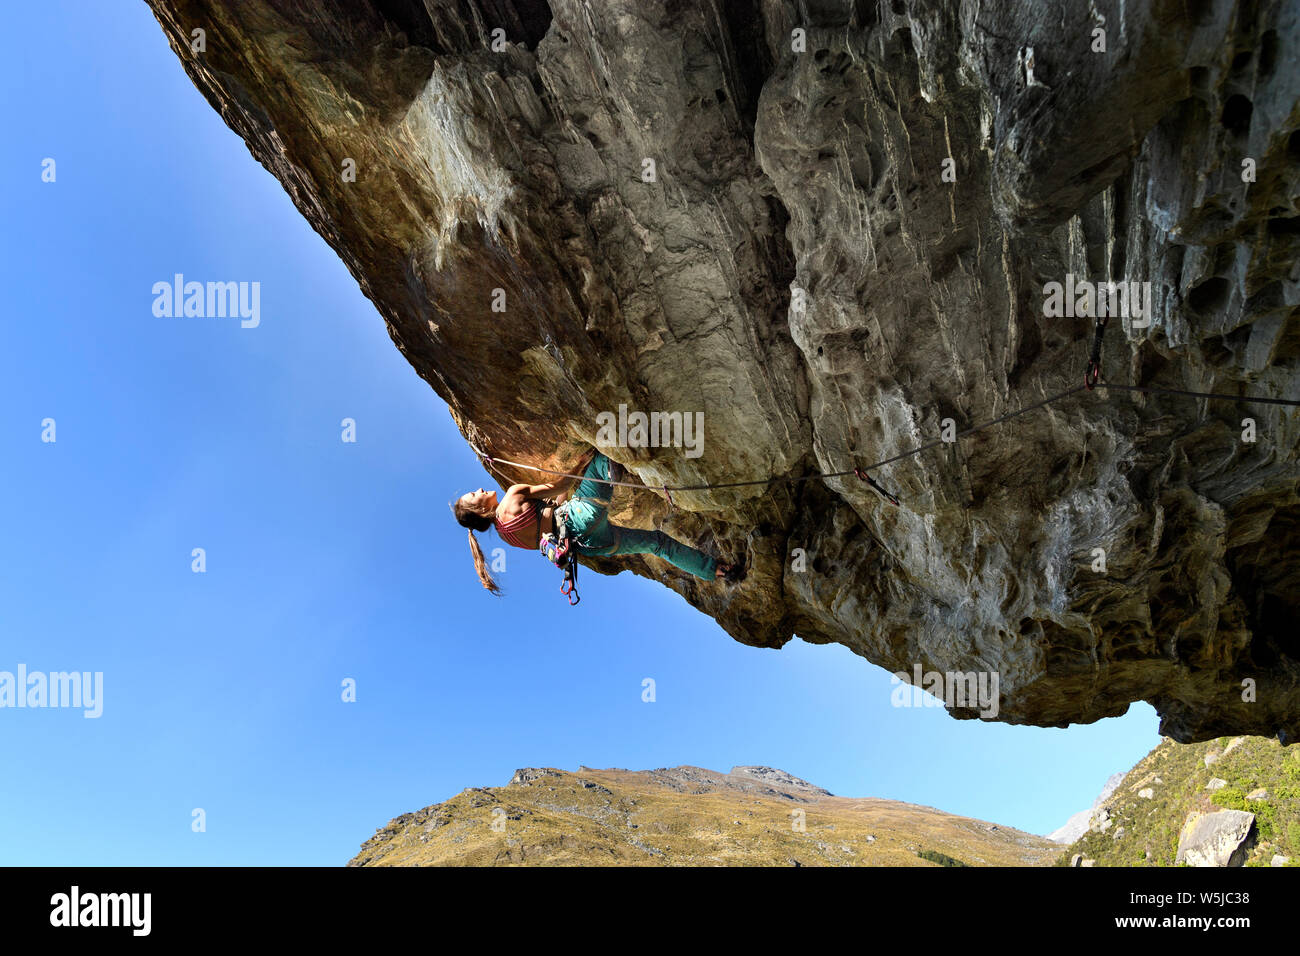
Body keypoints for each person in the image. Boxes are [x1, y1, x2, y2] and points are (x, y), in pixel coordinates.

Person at [453, 450, 744, 594]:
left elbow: (549, 523)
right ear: (478, 510)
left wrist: (560, 500)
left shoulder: (507, 538)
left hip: (590, 545)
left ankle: (716, 570)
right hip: (580, 517)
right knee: (605, 457)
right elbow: (560, 486)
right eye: (474, 495)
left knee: (656, 543)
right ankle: (637, 475)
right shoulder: (512, 495)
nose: (479, 490)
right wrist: (582, 463)